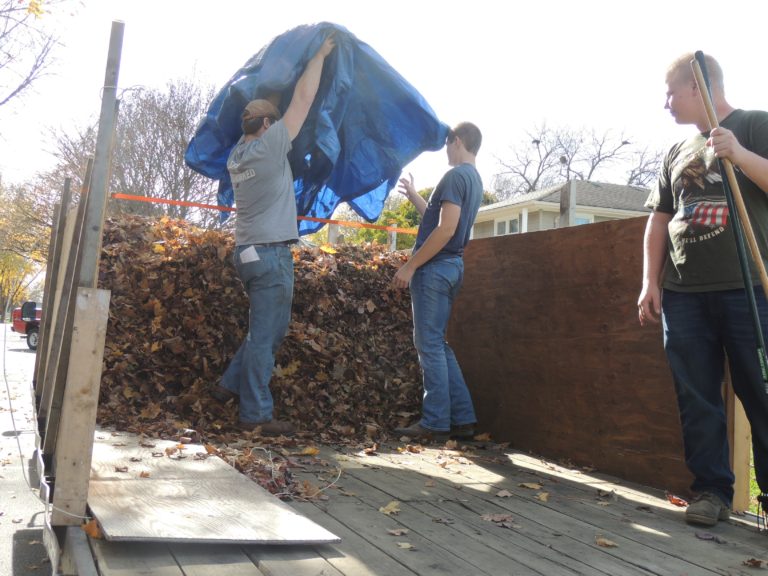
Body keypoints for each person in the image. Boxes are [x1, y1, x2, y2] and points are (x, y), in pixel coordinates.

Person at [638, 52, 768, 526]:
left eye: (671, 91)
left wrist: (741, 154)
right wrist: (650, 281)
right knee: (697, 396)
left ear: (698, 86)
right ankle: (711, 492)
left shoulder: (755, 125)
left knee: (762, 393)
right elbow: (658, 219)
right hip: (684, 295)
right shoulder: (677, 152)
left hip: (748, 288)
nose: (666, 102)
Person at [211, 34, 336, 436]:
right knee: (266, 338)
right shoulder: (269, 147)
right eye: (273, 120)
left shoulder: (236, 157)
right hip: (269, 256)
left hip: (246, 252)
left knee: (265, 331)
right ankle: (256, 416)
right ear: (267, 125)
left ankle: (228, 385)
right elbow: (303, 99)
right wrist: (319, 55)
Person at [392, 122, 484, 442]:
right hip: (453, 266)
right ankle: (462, 418)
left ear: (457, 141)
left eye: (447, 144)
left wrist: (410, 266)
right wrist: (417, 196)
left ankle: (434, 422)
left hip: (435, 268)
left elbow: (445, 231)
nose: (445, 150)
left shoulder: (455, 176)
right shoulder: (473, 179)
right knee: (437, 344)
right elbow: (439, 220)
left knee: (428, 344)